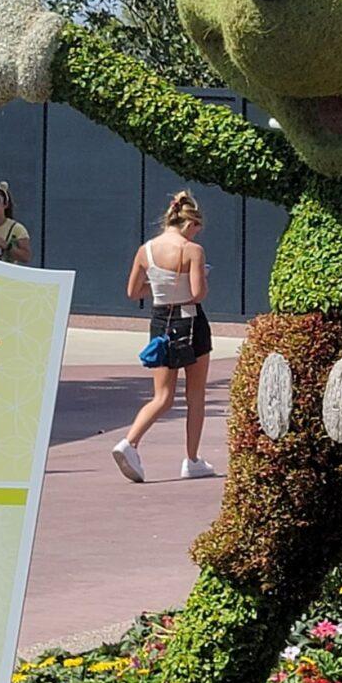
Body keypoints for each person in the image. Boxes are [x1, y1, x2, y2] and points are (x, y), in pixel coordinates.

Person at [111, 192, 214, 483]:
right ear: (189, 223)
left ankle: (129, 442)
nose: (197, 234)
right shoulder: (192, 251)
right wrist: (204, 278)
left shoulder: (146, 250)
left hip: (160, 322)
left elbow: (133, 293)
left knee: (163, 396)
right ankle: (192, 459)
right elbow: (196, 293)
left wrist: (159, 285)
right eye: (197, 228)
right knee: (195, 395)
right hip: (190, 321)